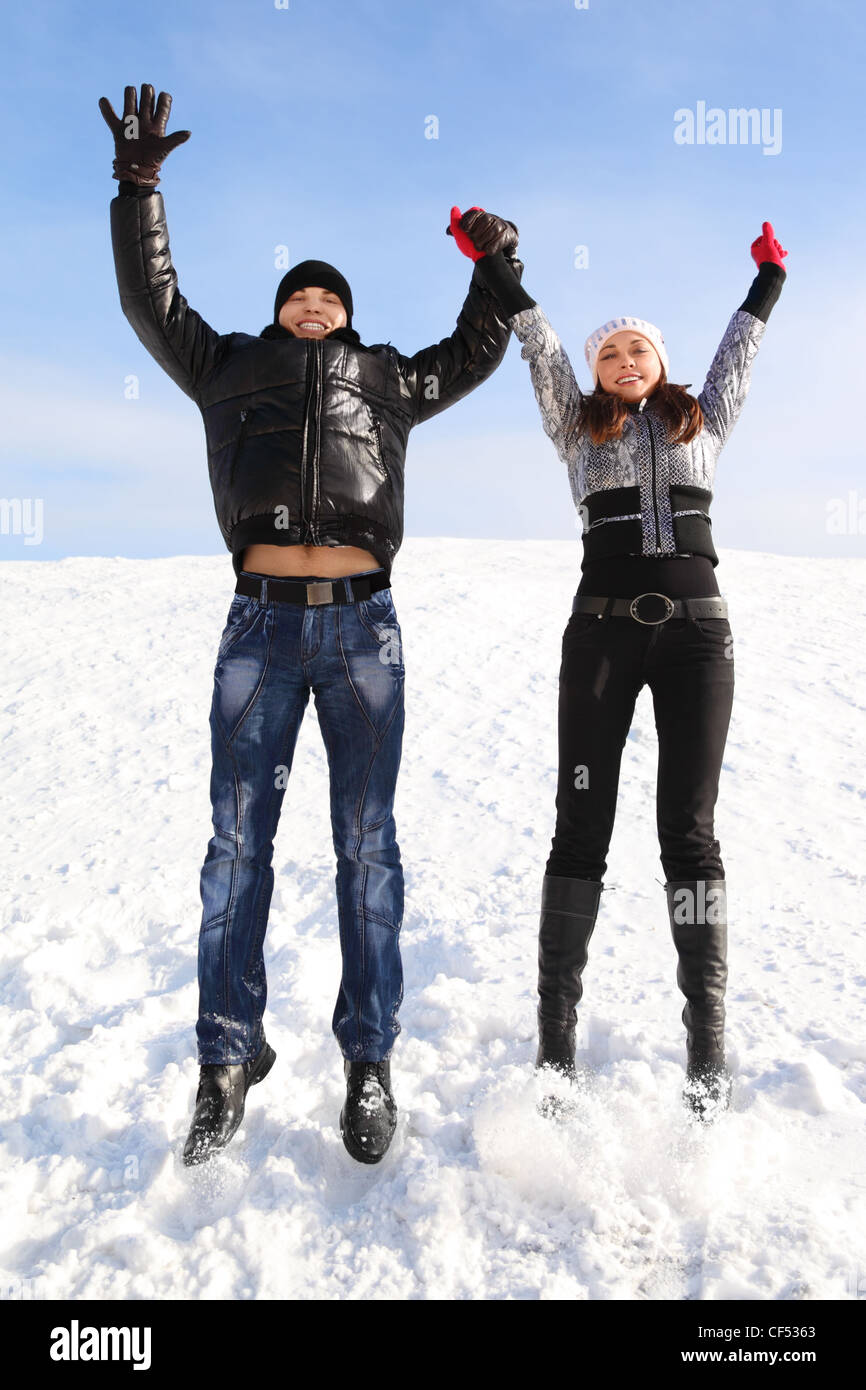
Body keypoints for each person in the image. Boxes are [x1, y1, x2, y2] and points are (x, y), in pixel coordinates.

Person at [99, 84, 524, 1164]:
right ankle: (226, 1056)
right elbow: (154, 302)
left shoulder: (387, 381)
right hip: (259, 632)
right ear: (280, 309)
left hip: (361, 635)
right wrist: (139, 187)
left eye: (330, 297)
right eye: (301, 295)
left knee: (364, 846)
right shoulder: (227, 367)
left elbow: (476, 350)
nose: (315, 305)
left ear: (347, 314)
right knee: (236, 847)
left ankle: (368, 1062)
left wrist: (495, 261)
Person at [448, 211, 787, 1121]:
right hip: (600, 637)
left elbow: (739, 355)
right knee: (581, 826)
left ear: (661, 364)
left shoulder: (702, 422)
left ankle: (707, 1050)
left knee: (691, 832)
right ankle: (556, 1048)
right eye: (612, 355)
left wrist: (766, 280)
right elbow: (539, 346)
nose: (625, 362)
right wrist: (500, 271)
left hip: (697, 639)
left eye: (639, 351)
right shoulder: (574, 426)